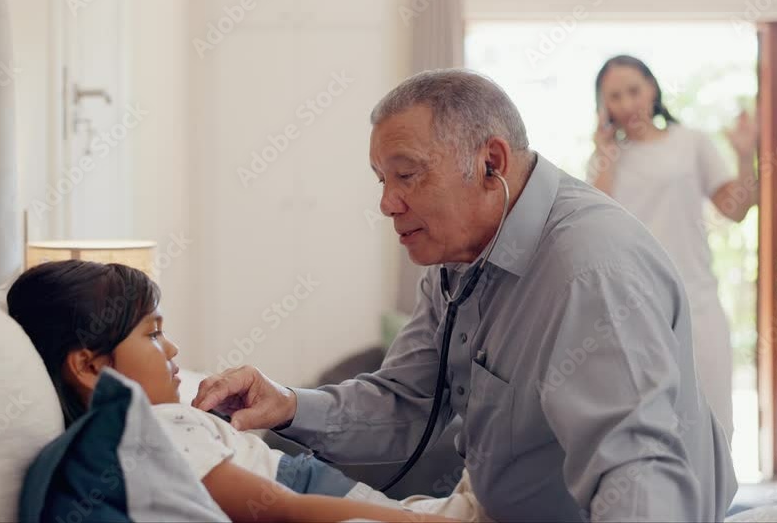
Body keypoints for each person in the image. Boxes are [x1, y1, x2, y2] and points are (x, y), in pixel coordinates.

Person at [193, 69, 738, 522]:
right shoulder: (461, 256)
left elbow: (638, 471)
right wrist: (286, 405)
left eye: (406, 175)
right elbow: (407, 401)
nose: (386, 203)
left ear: (491, 165)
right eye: (380, 179)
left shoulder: (589, 270)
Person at [6, 259, 461, 523]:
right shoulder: (152, 428)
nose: (173, 347)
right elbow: (282, 507)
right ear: (90, 366)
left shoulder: (148, 429)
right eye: (152, 335)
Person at [590, 54, 759, 441]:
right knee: (649, 428)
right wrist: (604, 151)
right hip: (633, 309)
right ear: (604, 107)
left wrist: (745, 154)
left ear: (652, 88)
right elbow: (597, 226)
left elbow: (735, 210)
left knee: (714, 422)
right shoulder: (605, 162)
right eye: (614, 96)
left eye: (634, 90)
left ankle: (711, 504)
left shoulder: (691, 142)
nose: (628, 103)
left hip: (696, 300)